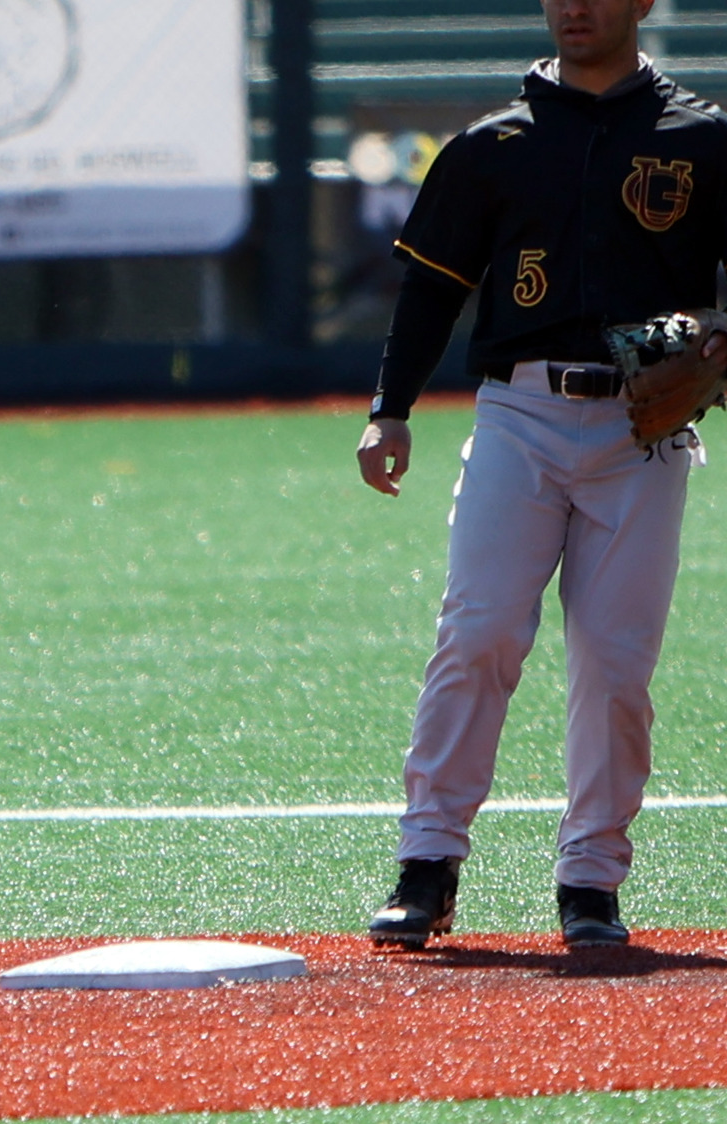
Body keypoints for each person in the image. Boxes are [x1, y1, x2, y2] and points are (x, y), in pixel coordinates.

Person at [355, 0, 727, 950]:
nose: (573, 6)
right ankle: (427, 865)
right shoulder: (495, 143)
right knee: (478, 629)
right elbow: (432, 283)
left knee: (615, 663)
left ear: (643, 3)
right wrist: (389, 409)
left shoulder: (701, 137)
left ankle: (591, 882)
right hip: (518, 413)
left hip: (643, 435)